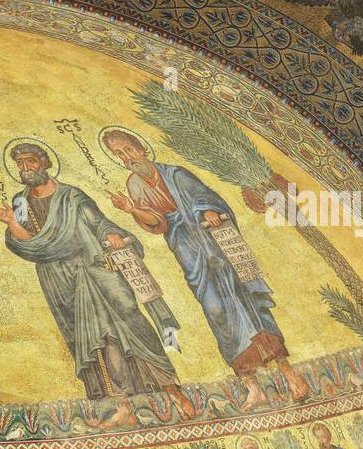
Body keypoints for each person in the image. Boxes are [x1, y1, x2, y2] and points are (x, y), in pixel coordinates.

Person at [0, 142, 193, 427]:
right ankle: (121, 405)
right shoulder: (20, 203)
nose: (25, 168)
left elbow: (99, 224)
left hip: (94, 269)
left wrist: (111, 235)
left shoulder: (71, 196)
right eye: (20, 164)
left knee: (131, 321)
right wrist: (11, 221)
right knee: (96, 341)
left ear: (44, 162)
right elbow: (29, 243)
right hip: (59, 280)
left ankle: (172, 389)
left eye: (30, 161)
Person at [104, 129, 310, 409]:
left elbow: (208, 199)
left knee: (246, 301)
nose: (126, 157)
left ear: (140, 148)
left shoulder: (177, 174)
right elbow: (157, 223)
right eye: (119, 154)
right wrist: (131, 210)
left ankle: (289, 373)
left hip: (213, 241)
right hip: (187, 248)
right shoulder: (135, 186)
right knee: (216, 311)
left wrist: (207, 211)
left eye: (128, 149)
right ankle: (251, 385)